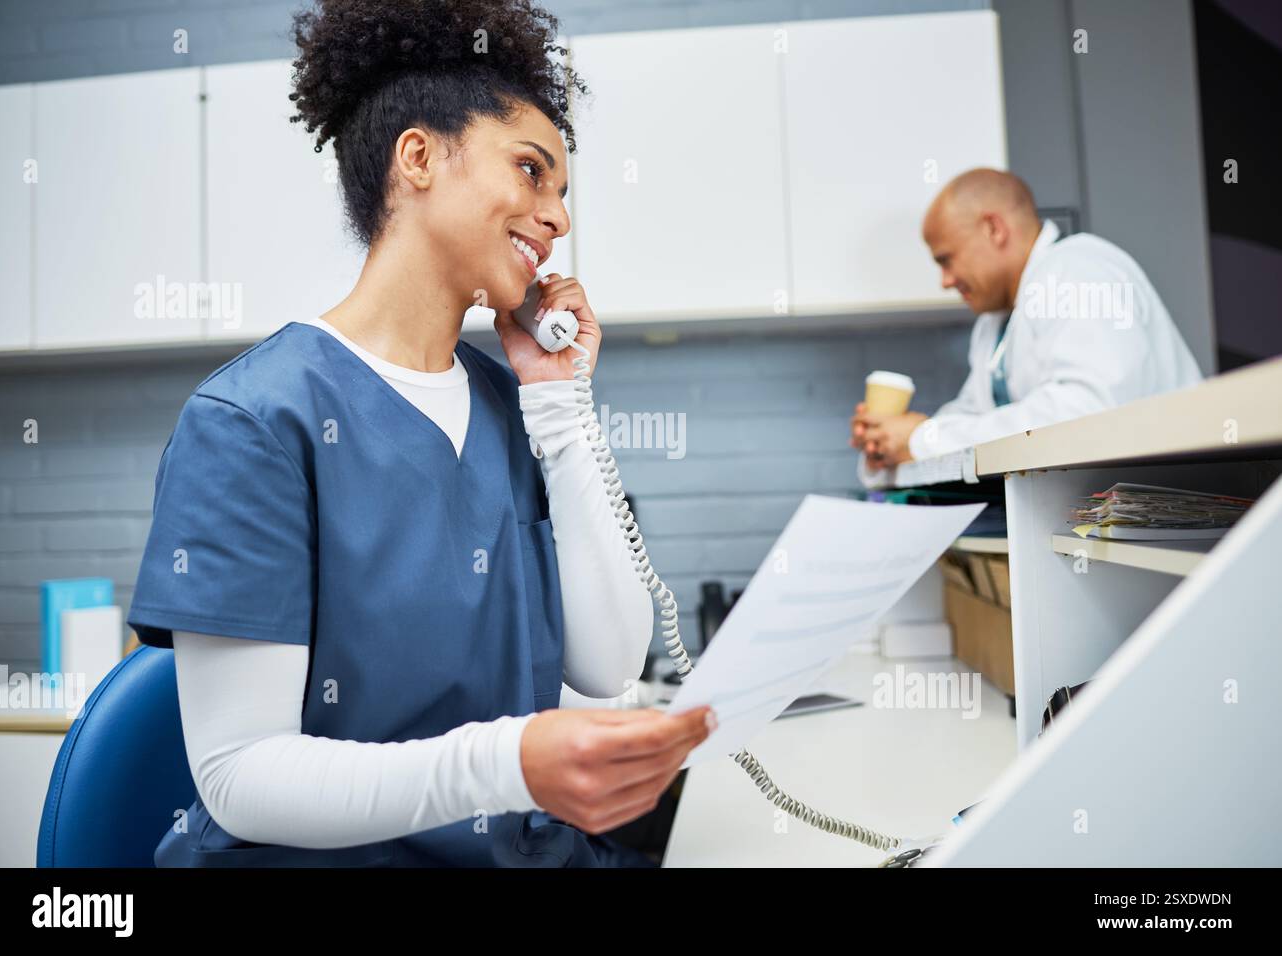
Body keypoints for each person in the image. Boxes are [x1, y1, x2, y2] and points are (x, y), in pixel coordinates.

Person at [126, 0, 714, 867]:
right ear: (419, 157)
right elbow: (239, 774)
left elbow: (606, 664)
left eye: (562, 193)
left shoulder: (514, 406)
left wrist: (560, 403)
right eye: (530, 170)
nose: (557, 220)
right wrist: (504, 763)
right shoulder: (252, 422)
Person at [851, 168, 1203, 483]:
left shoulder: (1079, 269)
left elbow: (1087, 412)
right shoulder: (996, 321)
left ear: (993, 229)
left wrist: (923, 439)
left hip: (1170, 512)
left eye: (946, 260)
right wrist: (890, 441)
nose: (944, 280)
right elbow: (973, 416)